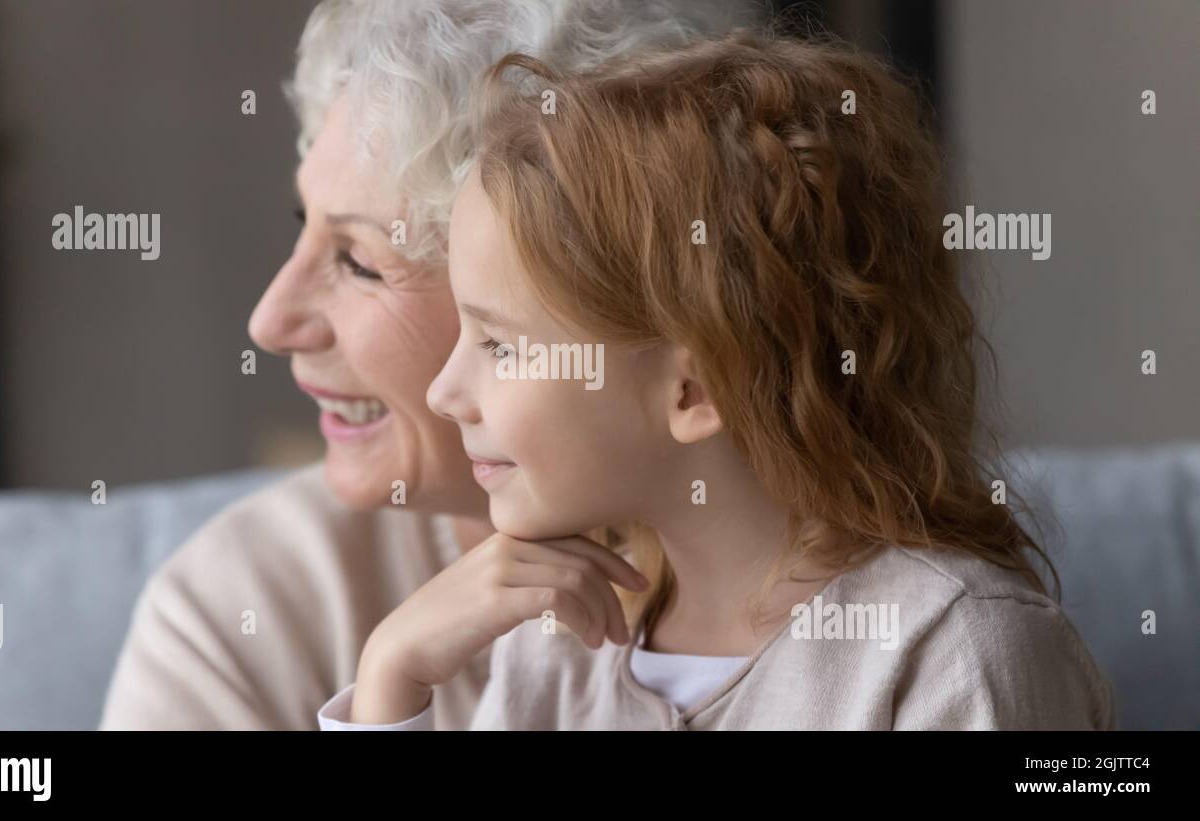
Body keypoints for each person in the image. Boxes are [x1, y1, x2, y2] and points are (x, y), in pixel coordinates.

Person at [318, 31, 1117, 730]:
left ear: (692, 393)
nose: (443, 392)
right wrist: (391, 681)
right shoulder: (557, 646)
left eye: (498, 344)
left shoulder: (957, 653)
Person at [98, 0, 759, 730]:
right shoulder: (237, 610)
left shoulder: (869, 624)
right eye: (304, 230)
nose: (269, 323)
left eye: (359, 261)